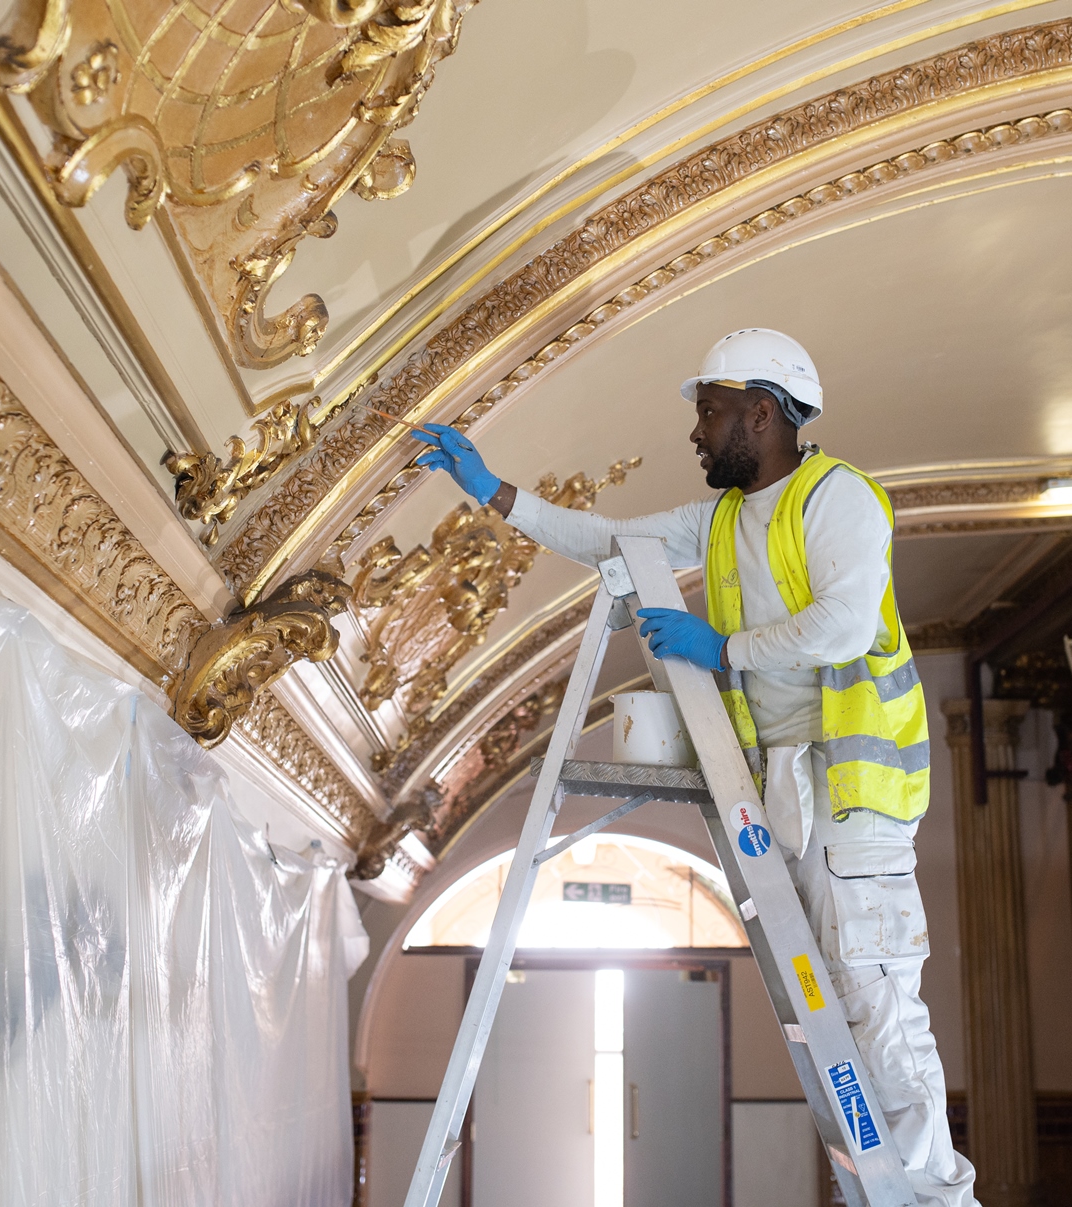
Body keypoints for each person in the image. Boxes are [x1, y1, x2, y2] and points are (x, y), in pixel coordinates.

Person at [410, 328, 977, 1207]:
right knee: (831, 1000)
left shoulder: (839, 499)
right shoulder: (717, 519)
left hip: (853, 791)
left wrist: (723, 647)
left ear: (762, 411)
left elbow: (842, 625)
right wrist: (494, 491)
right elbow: (608, 540)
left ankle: (939, 1199)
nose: (695, 432)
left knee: (875, 998)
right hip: (787, 787)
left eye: (709, 412)